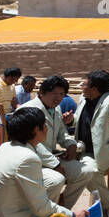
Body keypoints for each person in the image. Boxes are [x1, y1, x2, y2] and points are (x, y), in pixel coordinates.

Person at [18, 75, 96, 209]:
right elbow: (34, 144)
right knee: (56, 179)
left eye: (61, 94)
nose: (58, 98)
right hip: (34, 162)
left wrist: (70, 145)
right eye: (54, 93)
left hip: (51, 158)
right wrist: (55, 164)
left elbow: (61, 133)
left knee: (86, 171)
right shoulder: (27, 111)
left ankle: (63, 207)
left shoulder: (56, 109)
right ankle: (46, 213)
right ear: (41, 93)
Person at [75, 69, 109, 217]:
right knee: (79, 171)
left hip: (105, 151)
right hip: (84, 150)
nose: (82, 86)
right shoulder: (83, 99)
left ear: (94, 89)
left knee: (90, 172)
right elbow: (77, 119)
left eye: (85, 84)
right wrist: (70, 120)